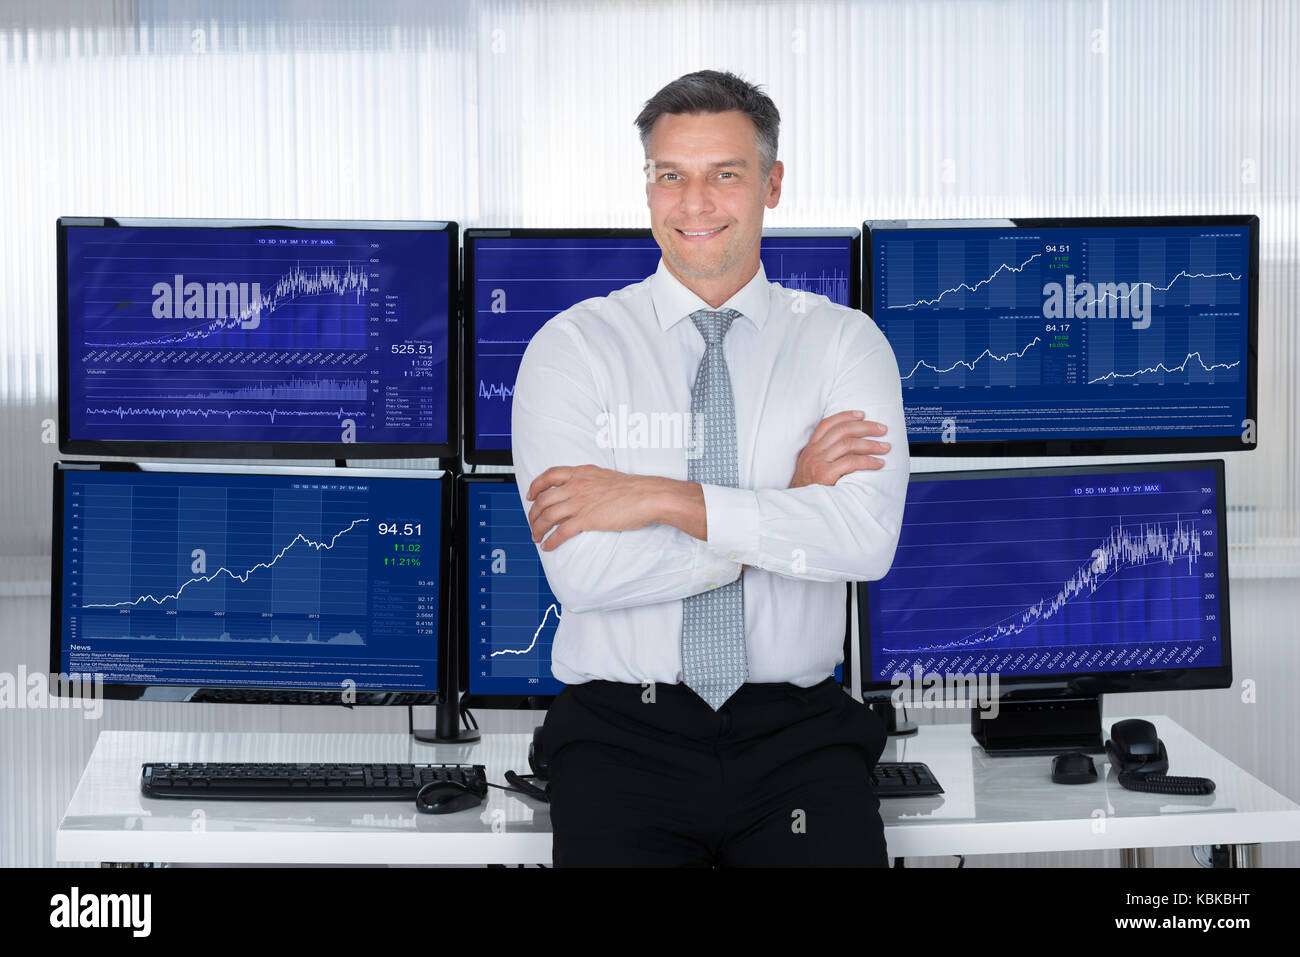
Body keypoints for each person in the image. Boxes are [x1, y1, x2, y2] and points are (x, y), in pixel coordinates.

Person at [511, 69, 909, 867]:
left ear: (772, 183)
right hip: (619, 736)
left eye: (724, 174)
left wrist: (661, 498)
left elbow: (864, 541)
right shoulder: (572, 349)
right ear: (648, 187)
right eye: (671, 175)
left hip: (799, 736)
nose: (694, 203)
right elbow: (583, 576)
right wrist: (787, 507)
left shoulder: (845, 344)